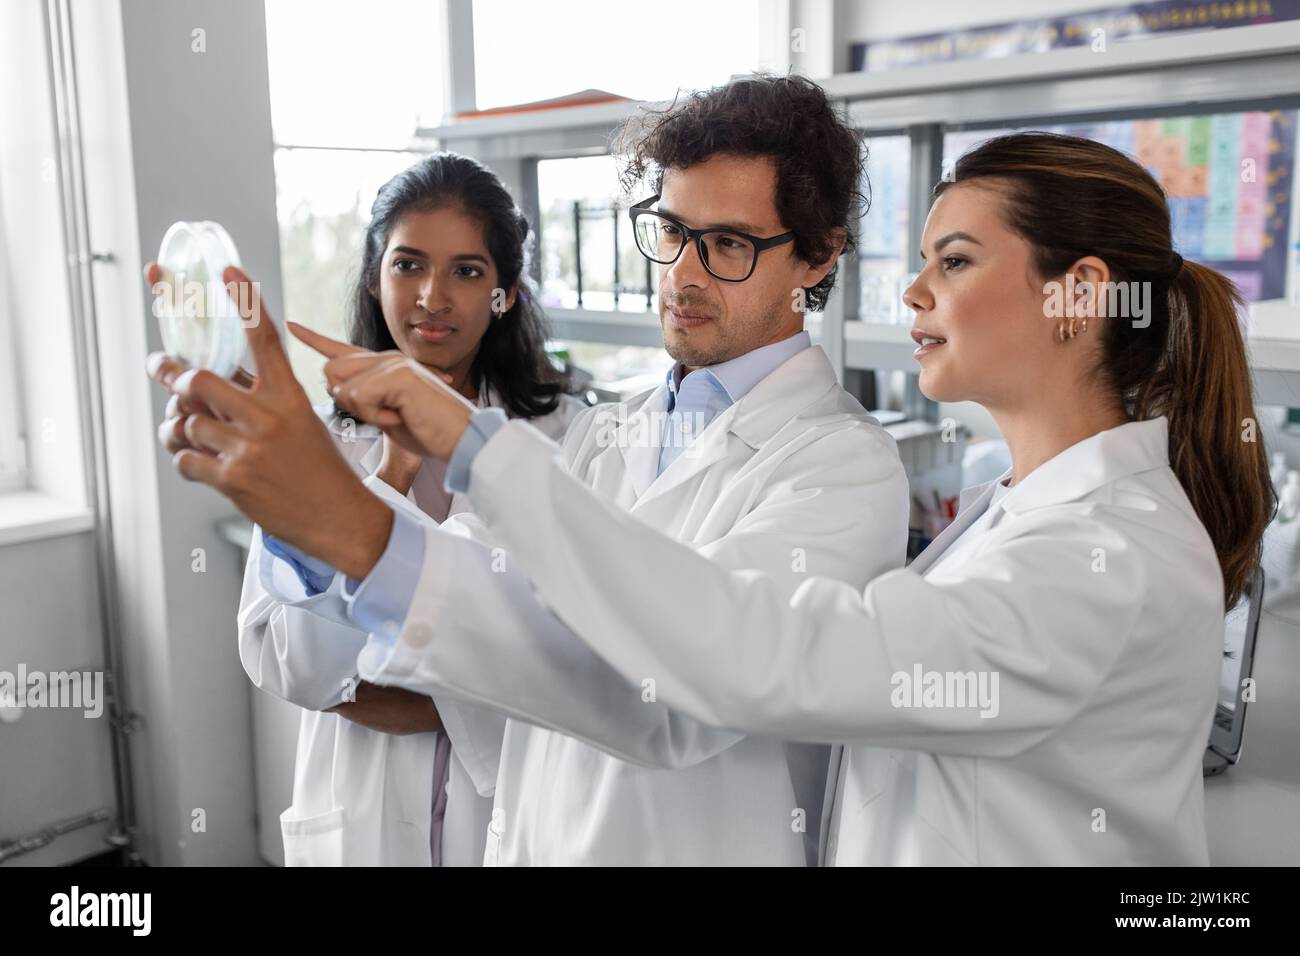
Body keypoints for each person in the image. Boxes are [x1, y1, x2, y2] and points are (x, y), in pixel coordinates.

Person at [308, 132, 1276, 865]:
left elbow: (772, 652)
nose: (913, 292)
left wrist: (465, 455)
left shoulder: (1105, 556)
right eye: (672, 233)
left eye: (956, 260)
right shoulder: (1015, 514)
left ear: (1079, 295)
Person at [147, 74, 911, 865]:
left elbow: (678, 701)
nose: (683, 274)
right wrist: (314, 510)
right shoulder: (605, 435)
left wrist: (344, 516)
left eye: (727, 245)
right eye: (673, 232)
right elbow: (472, 583)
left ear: (817, 255)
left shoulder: (846, 469)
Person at [153, 152, 582, 865]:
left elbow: (571, 655)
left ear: (505, 293)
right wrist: (389, 472)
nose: (431, 297)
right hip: (364, 814)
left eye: (467, 272)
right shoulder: (316, 446)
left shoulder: (563, 437)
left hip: (513, 804)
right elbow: (283, 660)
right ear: (375, 276)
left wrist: (408, 696)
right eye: (408, 264)